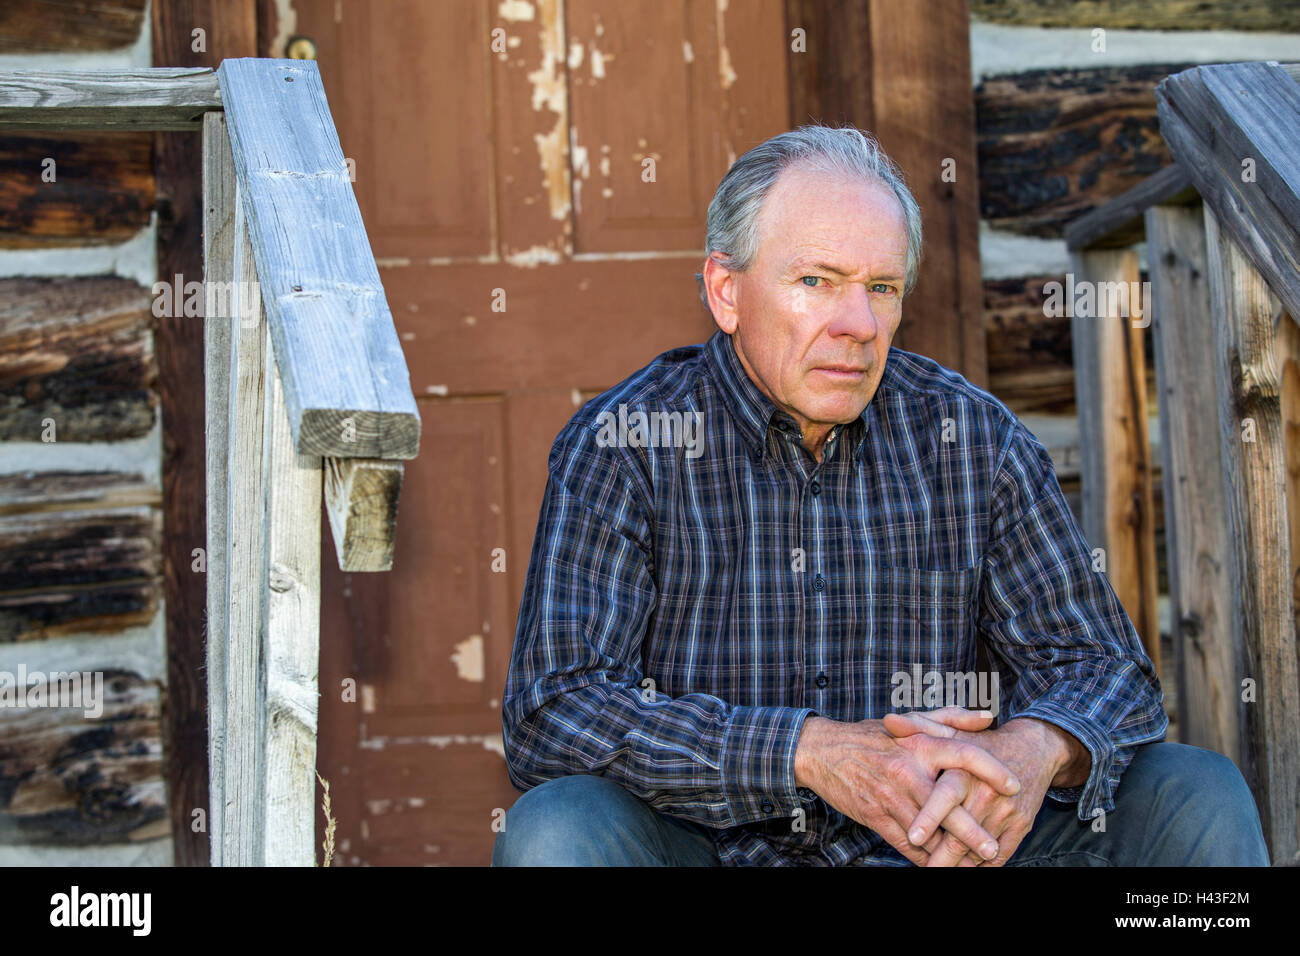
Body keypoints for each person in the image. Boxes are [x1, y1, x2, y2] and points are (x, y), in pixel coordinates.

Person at [492, 125, 1269, 866]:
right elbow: (552, 711)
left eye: (882, 287)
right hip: (711, 846)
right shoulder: (626, 441)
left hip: (940, 844)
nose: (858, 324)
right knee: (558, 830)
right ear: (726, 291)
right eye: (816, 282)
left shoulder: (972, 438)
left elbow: (1111, 673)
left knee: (1192, 795)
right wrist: (810, 752)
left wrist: (1027, 752)